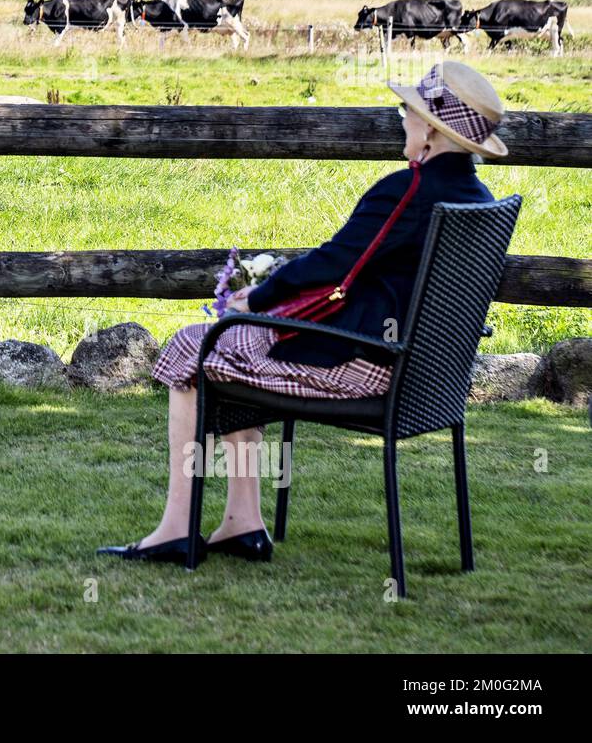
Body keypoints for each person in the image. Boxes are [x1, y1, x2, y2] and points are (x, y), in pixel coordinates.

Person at [99, 61, 506, 562]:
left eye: (409, 110)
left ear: (431, 130)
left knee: (196, 344)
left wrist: (258, 296)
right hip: (426, 375)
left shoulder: (410, 191)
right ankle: (241, 525)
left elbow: (336, 263)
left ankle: (178, 528)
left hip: (363, 368)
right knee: (234, 348)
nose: (403, 118)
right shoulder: (479, 198)